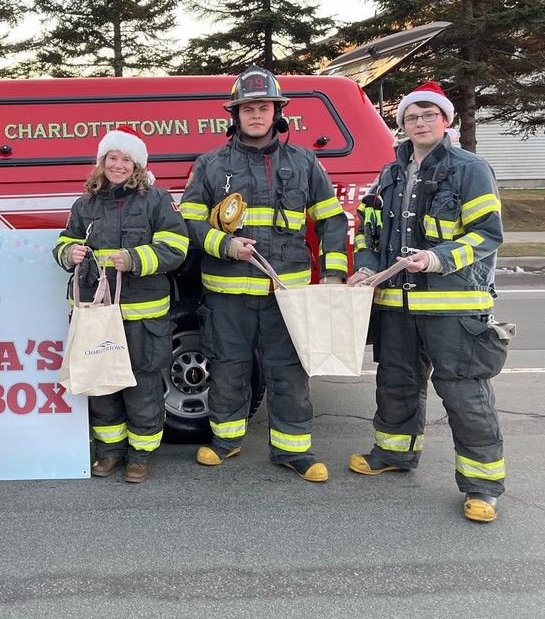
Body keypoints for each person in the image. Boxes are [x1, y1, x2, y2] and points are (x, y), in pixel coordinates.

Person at [346, 81, 509, 523]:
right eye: (411, 117)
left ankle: (482, 486)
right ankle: (394, 453)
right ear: (402, 125)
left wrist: (436, 258)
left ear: (446, 120)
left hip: (453, 305)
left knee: (464, 394)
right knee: (396, 383)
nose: (419, 123)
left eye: (428, 115)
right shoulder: (390, 173)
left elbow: (487, 235)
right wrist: (365, 265)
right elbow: (367, 230)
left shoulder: (470, 168)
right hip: (398, 304)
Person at [179, 65, 348, 483]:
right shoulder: (210, 164)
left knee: (288, 371)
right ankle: (226, 441)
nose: (256, 115)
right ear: (234, 115)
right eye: (248, 108)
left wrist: (333, 275)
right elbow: (189, 221)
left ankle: (293, 451)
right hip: (226, 291)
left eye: (264, 107)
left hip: (285, 292)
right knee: (228, 368)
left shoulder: (304, 162)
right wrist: (225, 244)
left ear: (278, 112)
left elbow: (331, 220)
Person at [53, 125, 188, 484]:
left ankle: (139, 456)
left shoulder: (157, 200)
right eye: (112, 158)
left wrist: (135, 259)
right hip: (96, 313)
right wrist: (70, 252)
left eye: (125, 159)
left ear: (138, 166)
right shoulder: (85, 205)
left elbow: (176, 247)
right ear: (101, 163)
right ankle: (110, 451)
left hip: (142, 312)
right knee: (101, 382)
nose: (118, 165)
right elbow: (62, 243)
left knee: (142, 385)